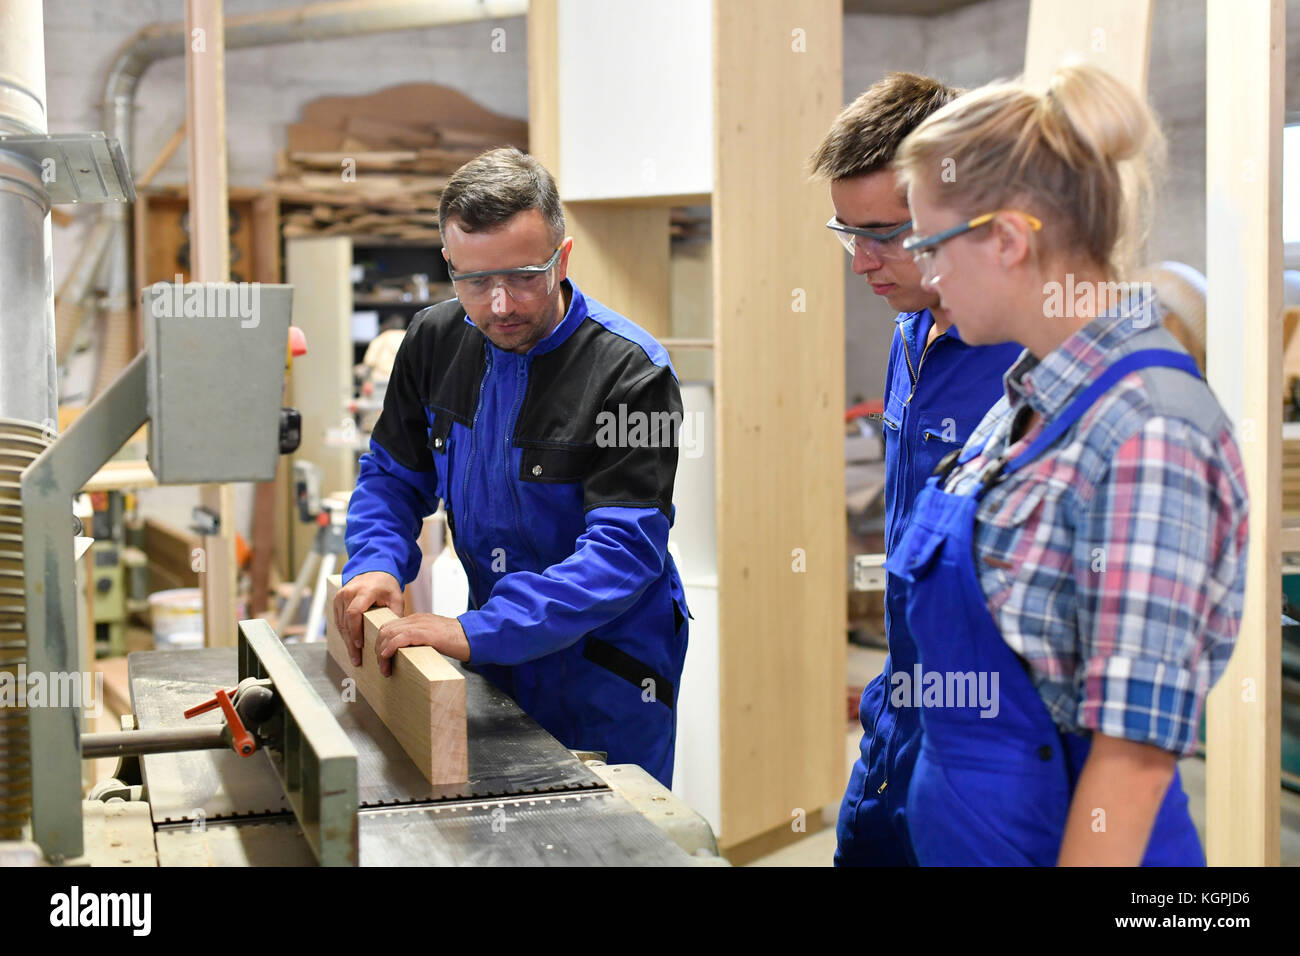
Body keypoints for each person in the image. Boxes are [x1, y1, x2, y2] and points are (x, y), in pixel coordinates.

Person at [885, 61, 1248, 864]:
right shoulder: (1021, 404)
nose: (924, 274)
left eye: (928, 245)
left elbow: (1131, 763)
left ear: (1009, 240)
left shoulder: (1147, 432)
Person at [333, 147, 689, 786]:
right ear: (450, 264)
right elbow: (392, 475)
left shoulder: (632, 372)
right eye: (474, 281)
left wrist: (476, 630)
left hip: (606, 672)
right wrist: (377, 563)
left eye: (525, 276)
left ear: (563, 256)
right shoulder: (434, 341)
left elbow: (622, 554)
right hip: (497, 656)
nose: (499, 305)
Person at [810, 72, 1023, 866]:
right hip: (897, 734)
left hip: (989, 758)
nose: (862, 262)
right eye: (847, 234)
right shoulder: (911, 334)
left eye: (886, 234)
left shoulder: (1027, 357)